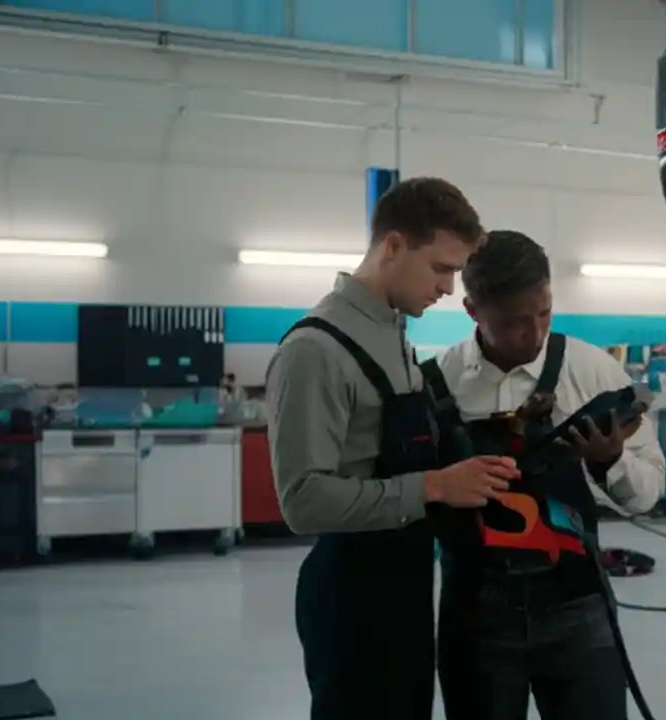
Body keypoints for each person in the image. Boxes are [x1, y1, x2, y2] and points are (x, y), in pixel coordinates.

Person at [264, 177, 521, 720]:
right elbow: (302, 501)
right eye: (441, 269)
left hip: (404, 587)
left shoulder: (393, 335)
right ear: (394, 246)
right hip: (351, 600)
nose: (450, 288)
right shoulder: (315, 350)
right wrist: (432, 486)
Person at [429, 229, 666, 720]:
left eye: (544, 313)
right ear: (472, 310)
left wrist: (610, 462)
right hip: (476, 621)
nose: (534, 334)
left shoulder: (594, 372)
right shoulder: (437, 384)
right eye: (515, 322)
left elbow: (647, 496)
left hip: (579, 613)